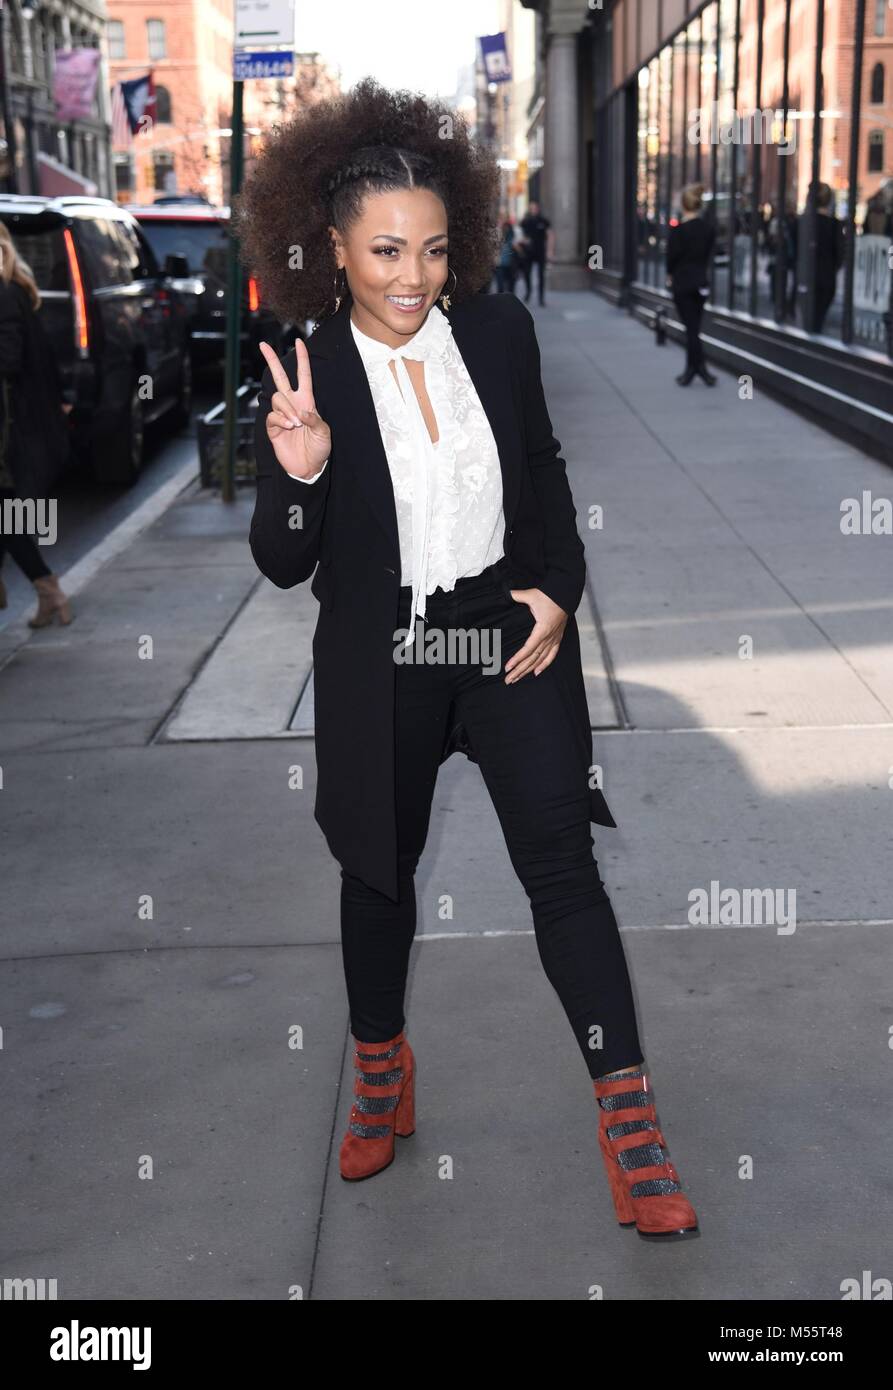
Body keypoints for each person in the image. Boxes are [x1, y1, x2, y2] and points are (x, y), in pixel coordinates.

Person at [233, 78, 699, 1240]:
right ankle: (380, 1068)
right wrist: (297, 472)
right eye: (386, 250)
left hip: (504, 641)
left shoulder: (495, 334)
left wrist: (558, 590)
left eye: (434, 250)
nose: (413, 277)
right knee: (377, 874)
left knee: (563, 872)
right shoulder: (307, 367)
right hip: (382, 656)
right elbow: (282, 563)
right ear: (333, 248)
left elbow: (541, 473)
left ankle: (630, 1122)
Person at [0, 221, 73, 624]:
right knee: (8, 517)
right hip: (20, 428)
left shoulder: (4, 293)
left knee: (9, 520)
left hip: (11, 431)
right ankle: (49, 595)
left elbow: (9, 361)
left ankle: (50, 591)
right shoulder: (16, 290)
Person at [665, 183, 717, 386]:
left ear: (684, 205)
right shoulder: (708, 230)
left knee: (691, 329)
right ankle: (697, 368)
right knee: (693, 328)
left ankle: (695, 370)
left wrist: (670, 275)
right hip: (700, 283)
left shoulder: (678, 231)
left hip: (683, 284)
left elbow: (671, 258)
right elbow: (707, 256)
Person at [800, 182, 845, 334]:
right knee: (817, 320)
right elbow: (840, 255)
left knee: (808, 322)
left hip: (806, 276)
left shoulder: (804, 221)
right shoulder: (834, 225)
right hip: (826, 277)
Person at [519, 200, 552, 306]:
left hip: (540, 251)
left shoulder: (543, 221)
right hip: (528, 251)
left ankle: (541, 298)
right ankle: (528, 292)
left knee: (541, 275)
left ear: (538, 209)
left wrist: (550, 251)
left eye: (535, 208)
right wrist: (524, 240)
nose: (533, 210)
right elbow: (520, 235)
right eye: (531, 208)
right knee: (526, 273)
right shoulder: (525, 221)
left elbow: (550, 235)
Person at [493, 219, 520, 293]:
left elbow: (520, 253)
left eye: (507, 228)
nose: (506, 230)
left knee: (510, 288)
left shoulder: (513, 240)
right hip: (500, 265)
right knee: (500, 287)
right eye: (504, 228)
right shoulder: (498, 238)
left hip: (511, 266)